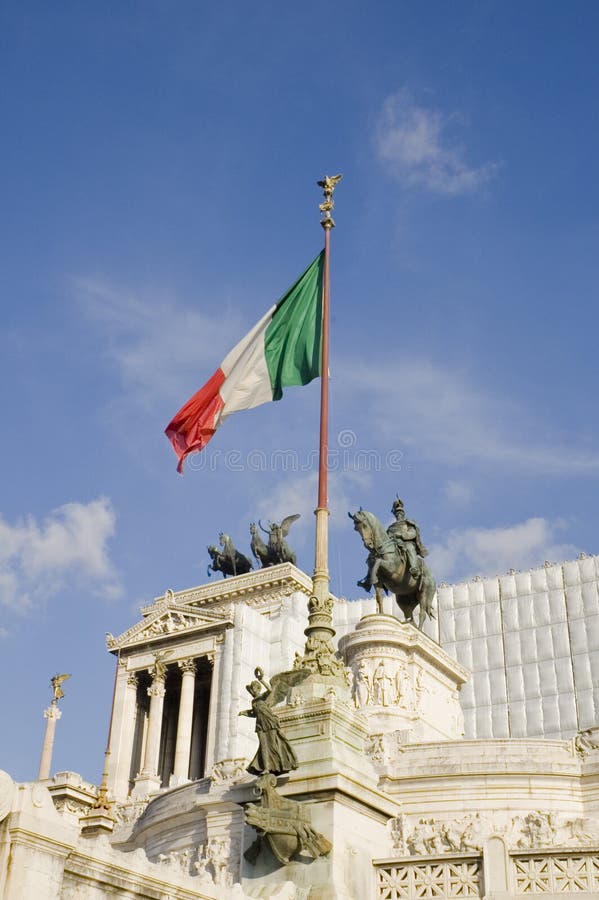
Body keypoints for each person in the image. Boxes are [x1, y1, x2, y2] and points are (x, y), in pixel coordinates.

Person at [240, 676, 298, 776]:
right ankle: (266, 768)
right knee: (263, 746)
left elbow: (271, 690)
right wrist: (244, 713)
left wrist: (261, 679)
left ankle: (280, 764)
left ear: (257, 688)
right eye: (251, 690)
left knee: (273, 745)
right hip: (259, 725)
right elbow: (255, 713)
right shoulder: (253, 702)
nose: (252, 691)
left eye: (253, 688)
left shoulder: (263, 696)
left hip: (270, 721)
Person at [387, 498, 428, 578]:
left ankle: (414, 568)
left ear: (403, 514)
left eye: (400, 513)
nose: (399, 515)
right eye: (397, 513)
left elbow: (413, 533)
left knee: (409, 548)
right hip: (394, 544)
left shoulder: (408, 523)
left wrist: (401, 535)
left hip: (406, 543)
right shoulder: (391, 527)